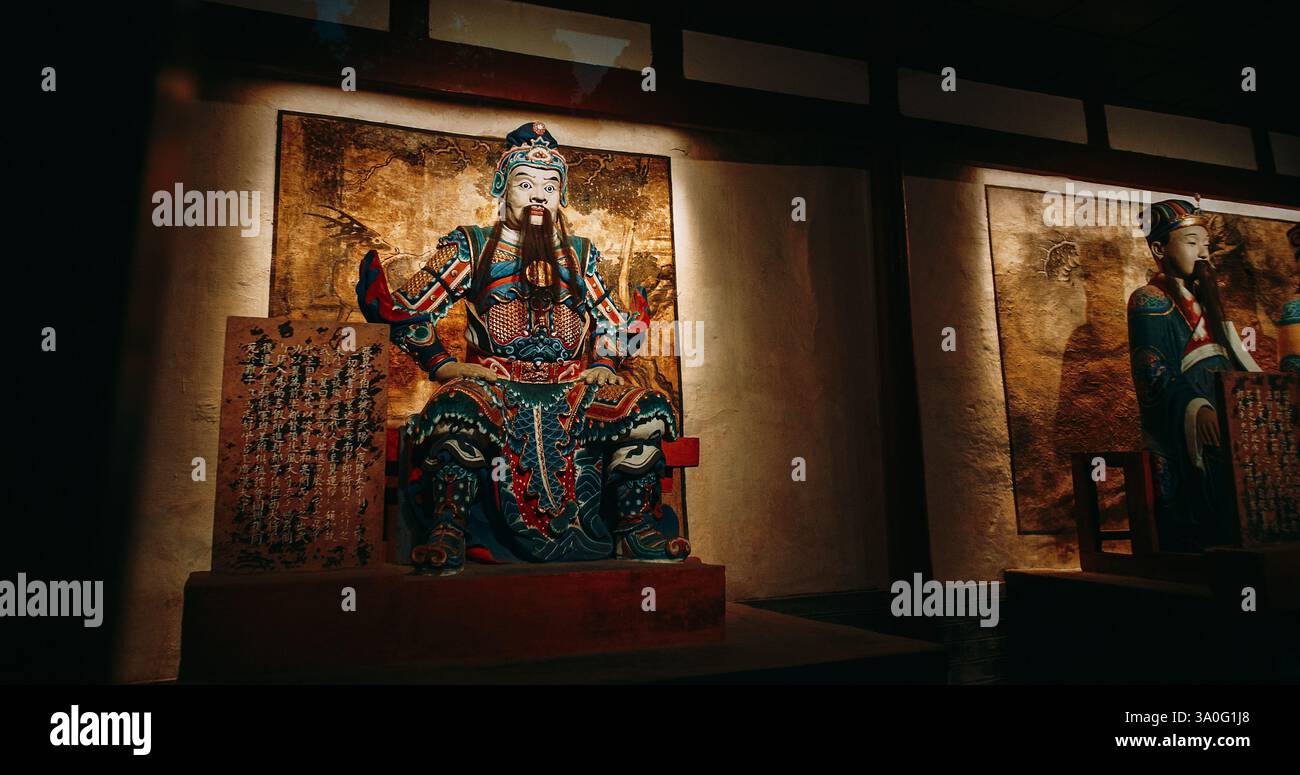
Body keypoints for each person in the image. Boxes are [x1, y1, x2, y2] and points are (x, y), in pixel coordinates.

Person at [356, 122, 689, 574]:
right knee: (456, 410)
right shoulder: (470, 247)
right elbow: (406, 309)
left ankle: (632, 527)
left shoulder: (580, 254)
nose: (538, 195)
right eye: (526, 183)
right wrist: (444, 365)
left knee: (648, 409)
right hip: (497, 385)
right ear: (502, 187)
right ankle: (450, 528)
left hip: (572, 390)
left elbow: (615, 319)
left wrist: (606, 362)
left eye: (550, 187)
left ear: (561, 197)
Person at [1127, 199, 1260, 551]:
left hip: (1225, 407)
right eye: (1191, 243)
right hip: (1190, 415)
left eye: (1206, 245)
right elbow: (1152, 371)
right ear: (1159, 248)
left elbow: (1236, 360)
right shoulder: (1150, 301)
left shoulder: (1209, 303)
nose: (1203, 254)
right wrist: (1197, 409)